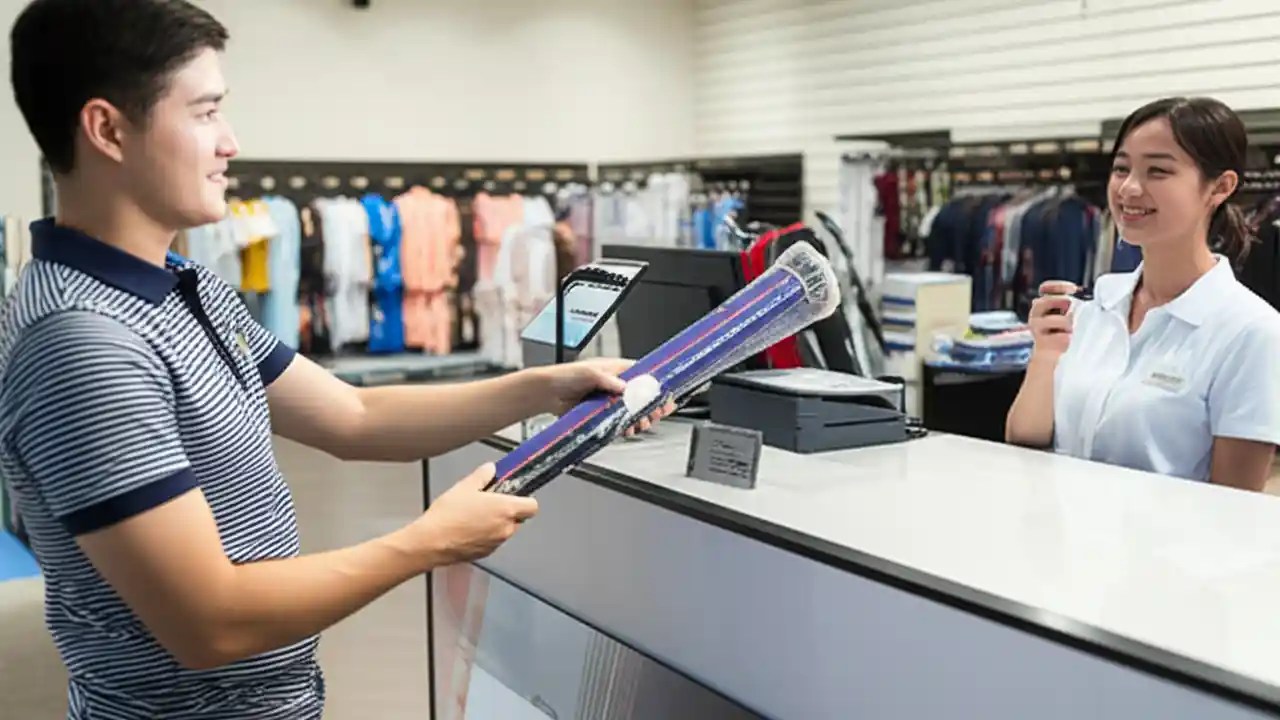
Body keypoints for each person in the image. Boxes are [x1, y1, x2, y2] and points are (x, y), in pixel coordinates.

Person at [0, 1, 672, 717]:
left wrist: (543, 387)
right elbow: (211, 621)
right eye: (204, 113)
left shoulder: (181, 288)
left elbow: (354, 414)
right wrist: (425, 542)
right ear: (107, 129)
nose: (231, 141)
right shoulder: (82, 342)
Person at [1006, 96, 1280, 491]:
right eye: (1121, 169)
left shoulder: (1252, 333)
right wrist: (1044, 356)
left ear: (1220, 187)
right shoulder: (1092, 307)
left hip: (1164, 552)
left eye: (1158, 171)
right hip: (1060, 542)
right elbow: (1023, 442)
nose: (1130, 188)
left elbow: (1235, 511)